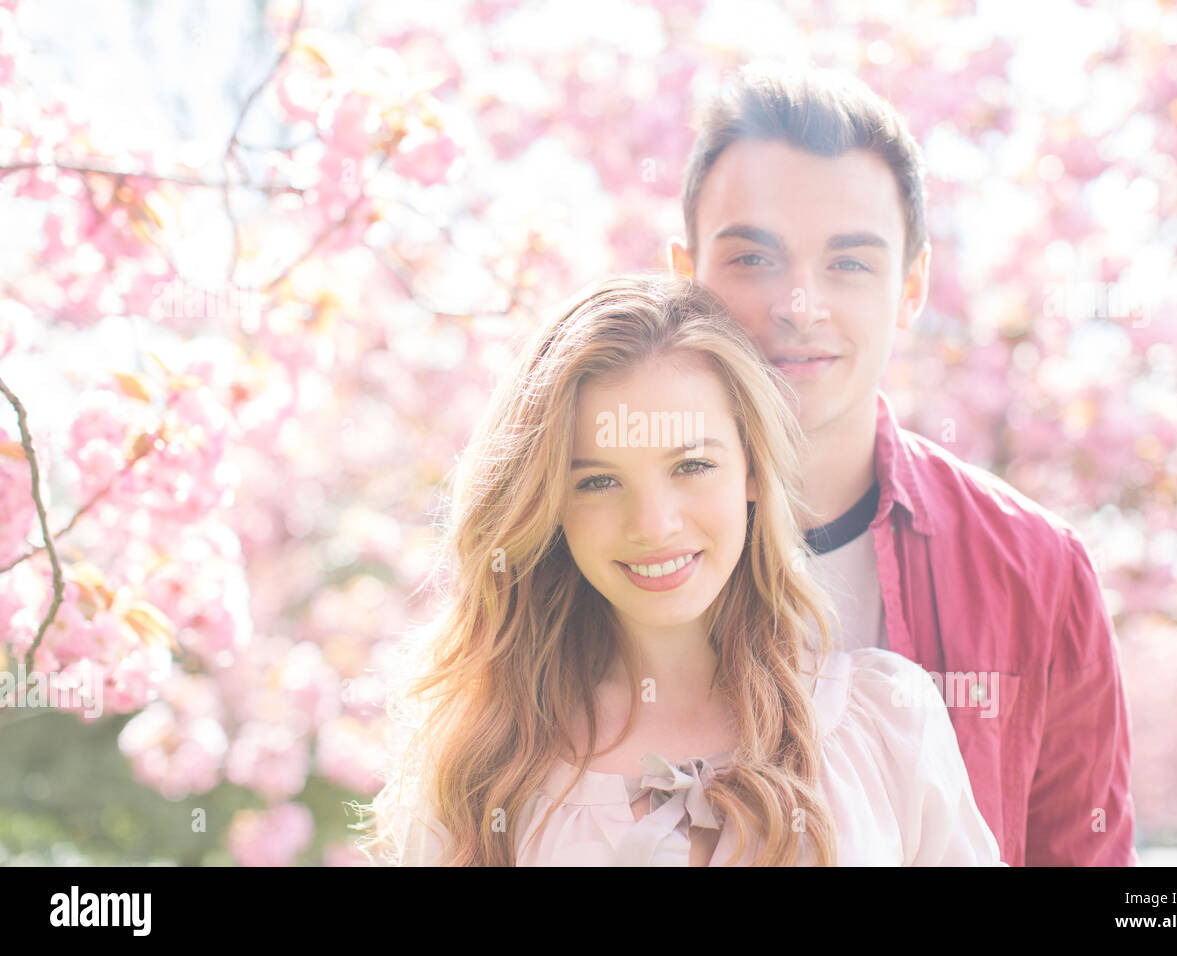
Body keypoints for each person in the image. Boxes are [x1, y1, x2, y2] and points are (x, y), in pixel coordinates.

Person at [360, 273, 1005, 866]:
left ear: (752, 469)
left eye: (691, 467)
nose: (654, 524)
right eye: (599, 482)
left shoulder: (887, 720)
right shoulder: (484, 765)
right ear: (551, 504)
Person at [667, 63, 1138, 866]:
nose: (799, 304)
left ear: (911, 286)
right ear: (685, 277)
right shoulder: (590, 539)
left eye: (849, 263)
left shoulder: (1037, 570)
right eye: (753, 259)